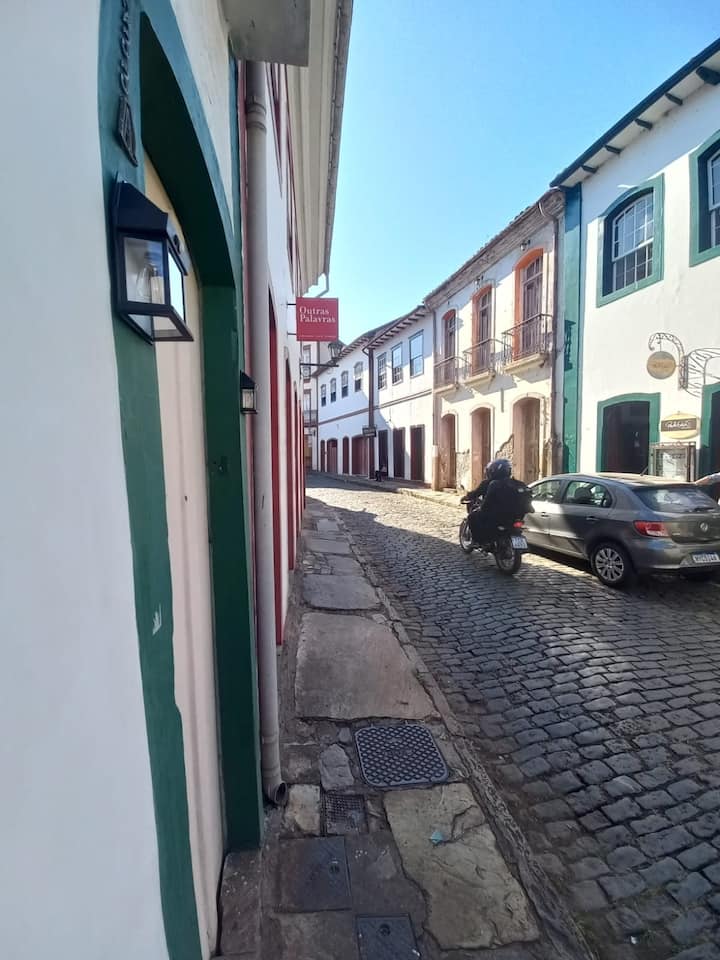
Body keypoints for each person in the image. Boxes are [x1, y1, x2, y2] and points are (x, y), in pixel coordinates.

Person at [465, 458, 531, 546]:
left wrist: (468, 497)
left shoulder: (490, 483)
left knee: (472, 517)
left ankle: (477, 541)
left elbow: (479, 496)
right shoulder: (518, 483)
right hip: (516, 516)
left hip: (496, 516)